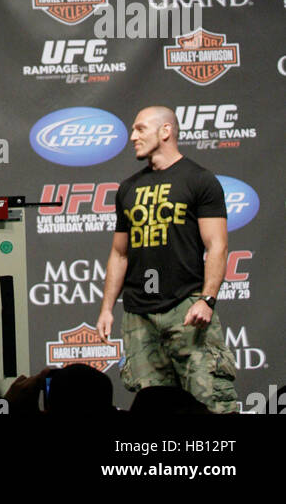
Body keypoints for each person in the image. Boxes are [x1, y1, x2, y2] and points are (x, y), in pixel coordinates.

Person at [96, 105, 238, 414]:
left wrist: (208, 299)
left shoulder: (199, 180)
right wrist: (107, 308)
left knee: (210, 402)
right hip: (139, 315)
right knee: (153, 409)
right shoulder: (128, 188)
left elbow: (217, 245)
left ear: (165, 131)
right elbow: (120, 252)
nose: (133, 136)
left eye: (140, 129)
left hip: (185, 307)